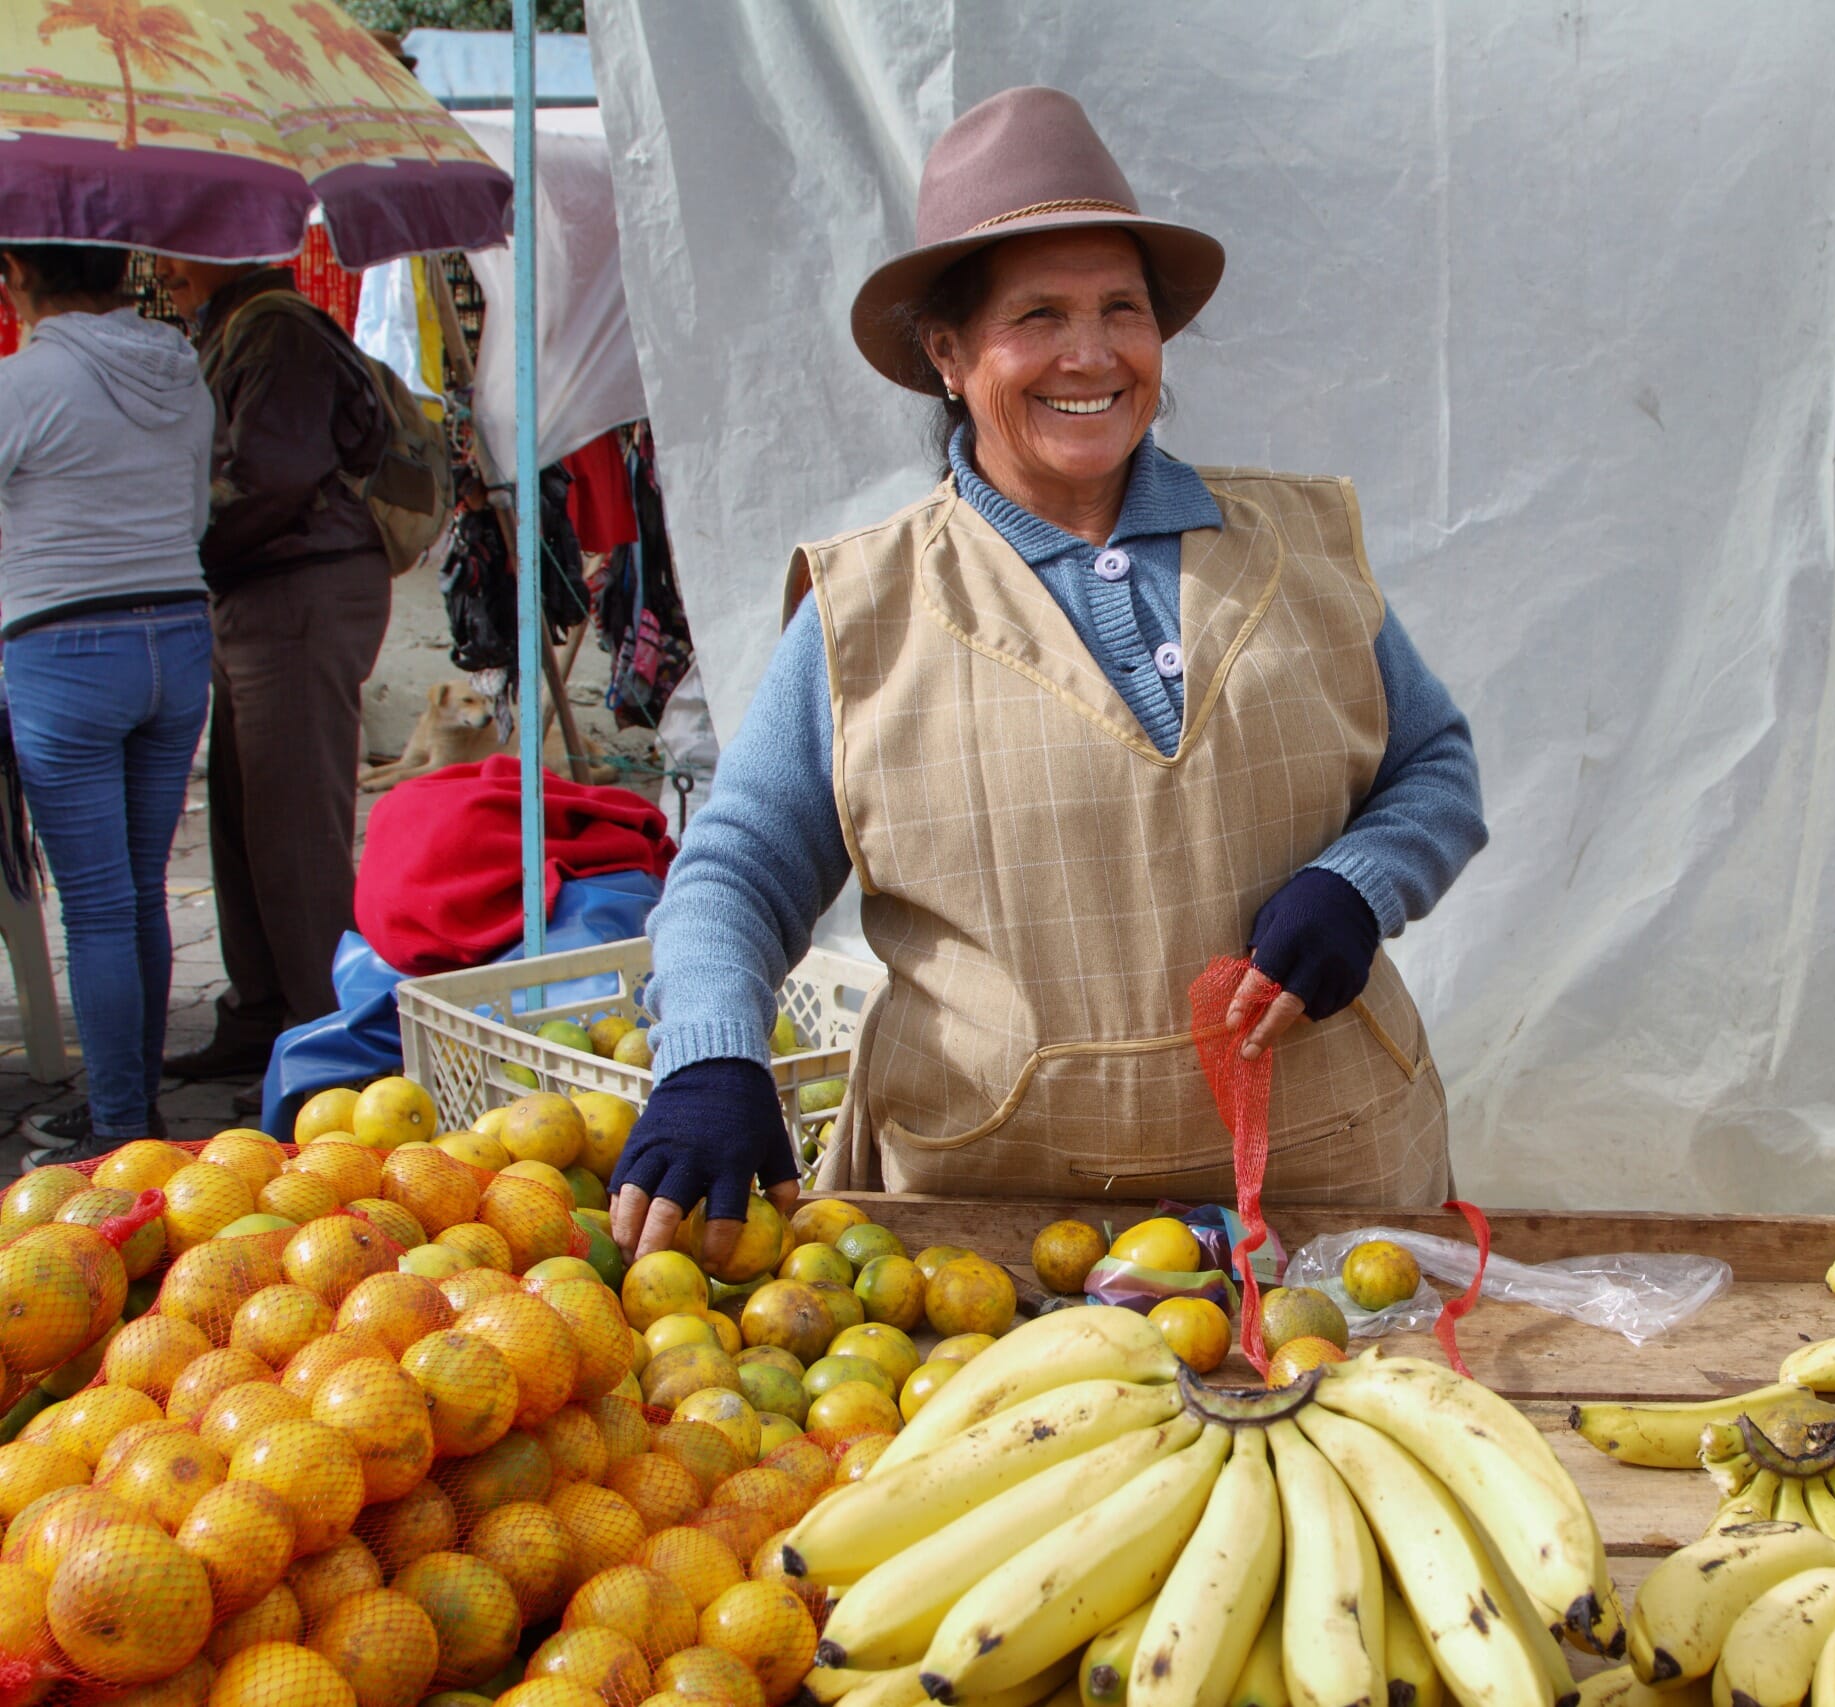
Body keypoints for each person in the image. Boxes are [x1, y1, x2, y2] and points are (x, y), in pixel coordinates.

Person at [610, 87, 1487, 1263]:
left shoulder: (1295, 549)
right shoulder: (867, 611)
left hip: (1326, 1190)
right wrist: (712, 1057)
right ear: (948, 355)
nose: (1091, 354)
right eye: (1038, 317)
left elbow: (1434, 765)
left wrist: (1362, 882)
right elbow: (740, 870)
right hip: (990, 1227)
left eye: (1120, 309)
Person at [151, 256, 394, 1110]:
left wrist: (171, 537)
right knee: (244, 815)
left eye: (179, 250)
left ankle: (332, 1036)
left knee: (292, 828)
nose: (165, 269)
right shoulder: (235, 327)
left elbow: (272, 476)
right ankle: (260, 1010)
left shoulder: (276, 327)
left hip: (298, 589)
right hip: (259, 588)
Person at [0, 244, 214, 1158]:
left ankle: (121, 1127)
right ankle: (141, 1107)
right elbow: (196, 513)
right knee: (142, 891)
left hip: (65, 649)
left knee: (95, 904)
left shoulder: (25, 381)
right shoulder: (181, 371)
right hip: (178, 634)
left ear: (15, 272)